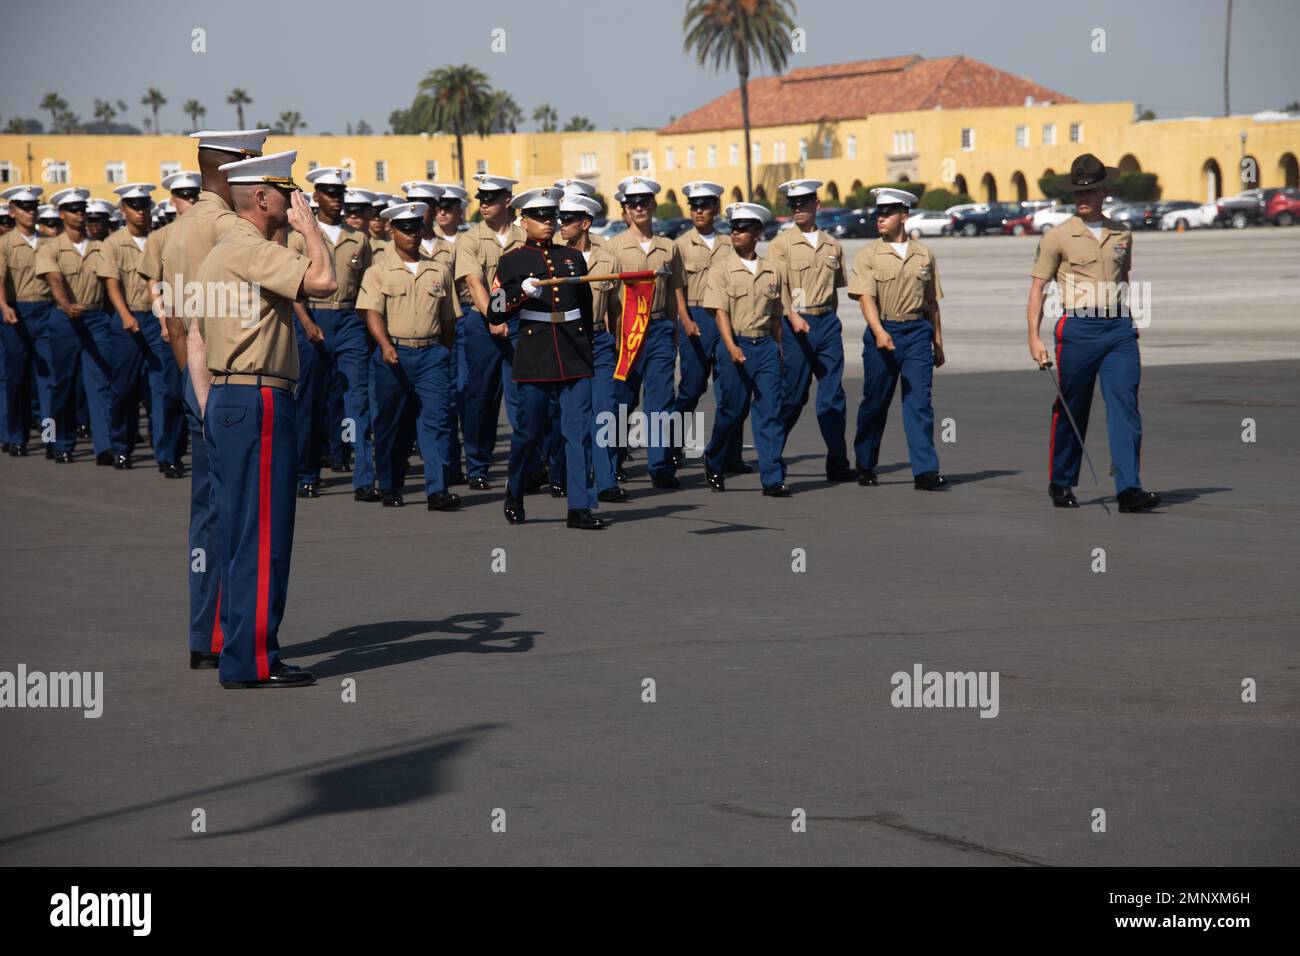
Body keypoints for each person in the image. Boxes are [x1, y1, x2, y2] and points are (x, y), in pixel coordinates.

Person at [194, 148, 336, 688]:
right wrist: (312, 228)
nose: (294, 199)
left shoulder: (222, 252)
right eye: (287, 191)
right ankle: (251, 660)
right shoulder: (249, 249)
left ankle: (232, 644)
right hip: (257, 399)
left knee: (238, 531)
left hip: (233, 399)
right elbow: (324, 283)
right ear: (261, 197)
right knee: (263, 537)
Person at [142, 126, 271, 670]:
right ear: (234, 168)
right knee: (244, 520)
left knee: (209, 518)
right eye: (256, 165)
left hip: (197, 382)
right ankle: (232, 638)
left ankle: (206, 633)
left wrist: (195, 398)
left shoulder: (177, 230)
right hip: (233, 383)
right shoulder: (233, 228)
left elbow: (173, 322)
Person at [1028, 152, 1159, 512]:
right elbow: (1038, 288)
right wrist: (1034, 338)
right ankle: (1062, 480)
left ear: (1104, 193)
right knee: (1073, 406)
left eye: (1089, 193)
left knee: (1125, 405)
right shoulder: (1057, 237)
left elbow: (1123, 278)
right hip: (1078, 329)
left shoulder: (1122, 234)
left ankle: (1129, 489)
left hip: (1118, 330)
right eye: (1077, 194)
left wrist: (1130, 318)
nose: (1082, 199)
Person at [491, 187, 607, 530]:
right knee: (528, 432)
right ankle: (514, 489)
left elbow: (584, 308)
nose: (547, 222)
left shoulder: (572, 258)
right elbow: (494, 312)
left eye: (551, 216)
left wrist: (585, 346)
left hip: (572, 353)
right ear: (522, 221)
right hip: (536, 353)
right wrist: (517, 294)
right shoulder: (511, 261)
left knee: (579, 432)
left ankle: (579, 507)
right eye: (539, 217)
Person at [358, 201, 462, 511]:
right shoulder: (378, 271)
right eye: (404, 229)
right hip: (394, 354)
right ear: (391, 230)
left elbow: (448, 319)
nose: (412, 234)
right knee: (392, 425)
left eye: (415, 228)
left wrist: (444, 351)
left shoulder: (438, 270)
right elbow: (372, 313)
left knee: (437, 421)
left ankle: (437, 489)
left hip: (431, 355)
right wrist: (384, 344)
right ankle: (390, 485)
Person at [847, 188, 948, 491]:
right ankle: (865, 463)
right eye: (878, 213)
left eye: (887, 213)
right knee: (875, 402)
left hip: (917, 333)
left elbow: (931, 303)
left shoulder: (924, 254)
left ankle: (925, 471)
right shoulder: (868, 255)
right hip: (884, 330)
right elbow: (866, 298)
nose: (880, 218)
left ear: (903, 217)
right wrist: (879, 332)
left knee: (919, 402)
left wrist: (938, 343)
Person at [290, 166, 377, 501]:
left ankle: (363, 478)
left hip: (349, 321)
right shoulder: (300, 238)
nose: (337, 200)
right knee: (310, 400)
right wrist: (306, 321)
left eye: (340, 193)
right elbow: (292, 285)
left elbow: (367, 286)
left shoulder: (359, 239)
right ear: (316, 196)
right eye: (330, 193)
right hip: (312, 317)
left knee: (358, 399)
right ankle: (307, 474)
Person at [769, 178, 855, 482]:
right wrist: (791, 316)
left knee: (833, 396)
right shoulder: (782, 244)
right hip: (795, 324)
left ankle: (838, 463)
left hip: (826, 323)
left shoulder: (833, 245)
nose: (797, 209)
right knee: (793, 396)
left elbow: (835, 291)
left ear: (816, 204)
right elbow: (776, 288)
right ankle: (771, 458)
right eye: (792, 204)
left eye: (803, 203)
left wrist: (829, 318)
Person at [605, 176, 688, 488]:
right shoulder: (613, 247)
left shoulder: (668, 247)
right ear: (625, 208)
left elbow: (672, 291)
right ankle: (611, 464)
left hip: (659, 329)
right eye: (632, 203)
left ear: (653, 204)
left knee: (661, 400)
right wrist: (612, 336)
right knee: (621, 401)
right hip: (625, 331)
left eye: (643, 202)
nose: (638, 207)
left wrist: (673, 328)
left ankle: (660, 465)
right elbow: (608, 296)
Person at [702, 202, 791, 497]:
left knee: (770, 412)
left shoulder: (771, 272)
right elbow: (720, 314)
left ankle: (772, 477)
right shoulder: (721, 270)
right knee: (732, 411)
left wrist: (779, 350)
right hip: (736, 345)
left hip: (765, 345)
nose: (736, 233)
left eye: (743, 228)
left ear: (757, 233)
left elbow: (777, 316)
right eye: (733, 228)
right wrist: (731, 348)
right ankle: (714, 459)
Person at [100, 182, 184, 475]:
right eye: (134, 206)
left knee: (162, 389)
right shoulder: (113, 243)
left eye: (145, 206)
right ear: (123, 210)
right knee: (123, 387)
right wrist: (124, 315)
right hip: (128, 318)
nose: (141, 211)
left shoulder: (161, 238)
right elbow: (111, 284)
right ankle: (121, 447)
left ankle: (166, 453)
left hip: (159, 317)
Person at [34, 187, 116, 465]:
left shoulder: (100, 246)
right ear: (61, 214)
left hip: (94, 318)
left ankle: (104, 446)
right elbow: (54, 279)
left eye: (81, 209)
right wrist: (67, 304)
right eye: (73, 210)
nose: (79, 215)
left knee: (100, 382)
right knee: (61, 384)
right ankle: (57, 441)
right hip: (64, 319)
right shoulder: (50, 247)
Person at [454, 173, 525, 491]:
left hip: (521, 322)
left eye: (491, 198)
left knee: (522, 397)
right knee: (480, 397)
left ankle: (525, 465)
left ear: (507, 201)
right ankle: (479, 465)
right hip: (482, 324)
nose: (483, 203)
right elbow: (473, 282)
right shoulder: (469, 239)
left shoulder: (525, 237)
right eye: (480, 198)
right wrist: (494, 317)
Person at [558, 190, 627, 503]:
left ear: (585, 223)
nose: (562, 224)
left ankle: (606, 480)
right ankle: (566, 476)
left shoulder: (606, 259)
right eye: (561, 218)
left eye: (569, 220)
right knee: (573, 415)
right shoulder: (554, 258)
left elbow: (616, 307)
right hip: (565, 340)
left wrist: (617, 343)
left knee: (604, 411)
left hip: (599, 340)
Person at [670, 180, 744, 472]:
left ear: (716, 208)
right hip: (696, 318)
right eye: (694, 206)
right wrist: (685, 319)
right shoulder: (680, 245)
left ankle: (731, 455)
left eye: (704, 206)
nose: (698, 212)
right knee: (691, 388)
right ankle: (672, 448)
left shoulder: (730, 243)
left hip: (726, 318)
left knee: (731, 390)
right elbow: (676, 287)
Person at [0, 185, 51, 457]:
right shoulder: (5, 243)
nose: (30, 212)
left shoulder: (47, 242)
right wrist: (4, 306)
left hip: (46, 312)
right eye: (23, 207)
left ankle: (50, 436)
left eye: (33, 207)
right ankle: (16, 437)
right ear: (12, 211)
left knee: (48, 380)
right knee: (16, 380)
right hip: (16, 313)